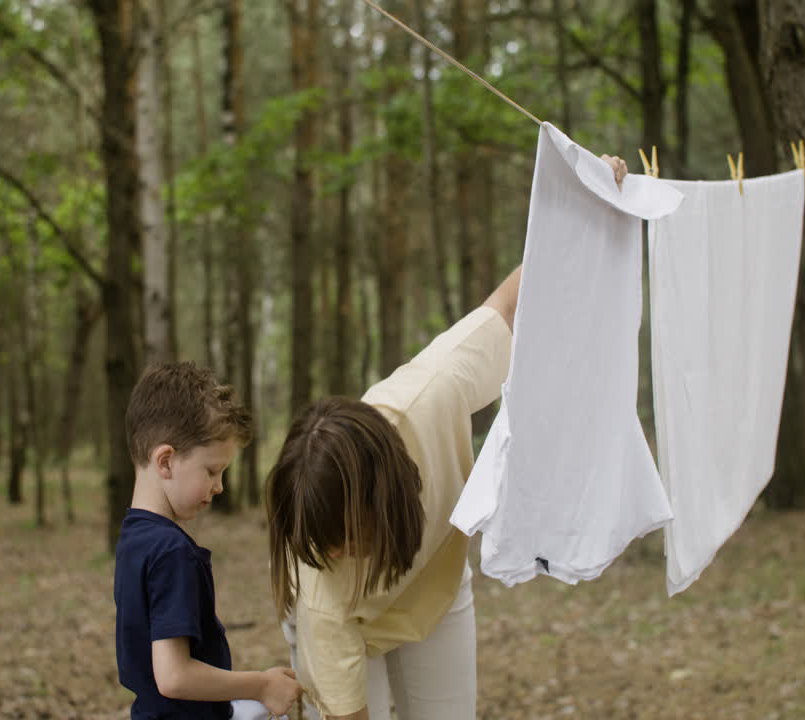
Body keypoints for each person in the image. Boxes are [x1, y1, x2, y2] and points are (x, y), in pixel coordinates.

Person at [266, 157, 628, 720]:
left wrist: (584, 208)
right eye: (322, 543)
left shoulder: (428, 396)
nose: (331, 553)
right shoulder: (321, 586)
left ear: (378, 497)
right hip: (348, 627)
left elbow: (508, 307)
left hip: (433, 588)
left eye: (340, 536)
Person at [116, 362, 302, 720]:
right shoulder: (171, 552)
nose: (219, 487)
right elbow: (174, 676)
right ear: (165, 461)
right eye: (212, 471)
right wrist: (261, 685)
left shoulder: (134, 536)